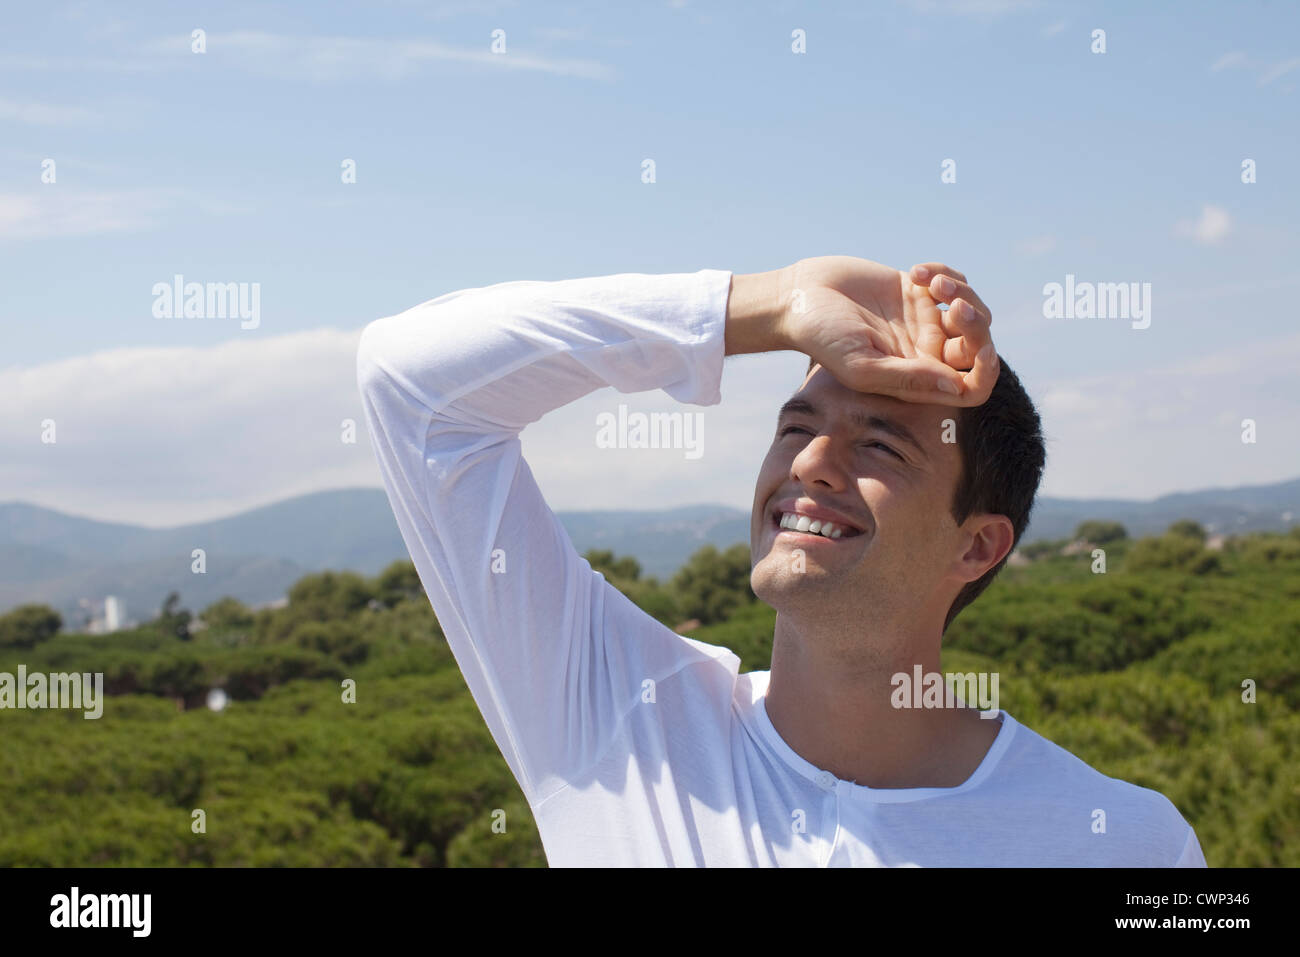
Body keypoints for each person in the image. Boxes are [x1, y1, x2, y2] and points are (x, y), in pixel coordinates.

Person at [355, 255, 1206, 867]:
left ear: (977, 544)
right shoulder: (616, 719)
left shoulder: (1129, 842)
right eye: (796, 426)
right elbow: (414, 385)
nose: (809, 463)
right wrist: (772, 305)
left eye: (881, 445)